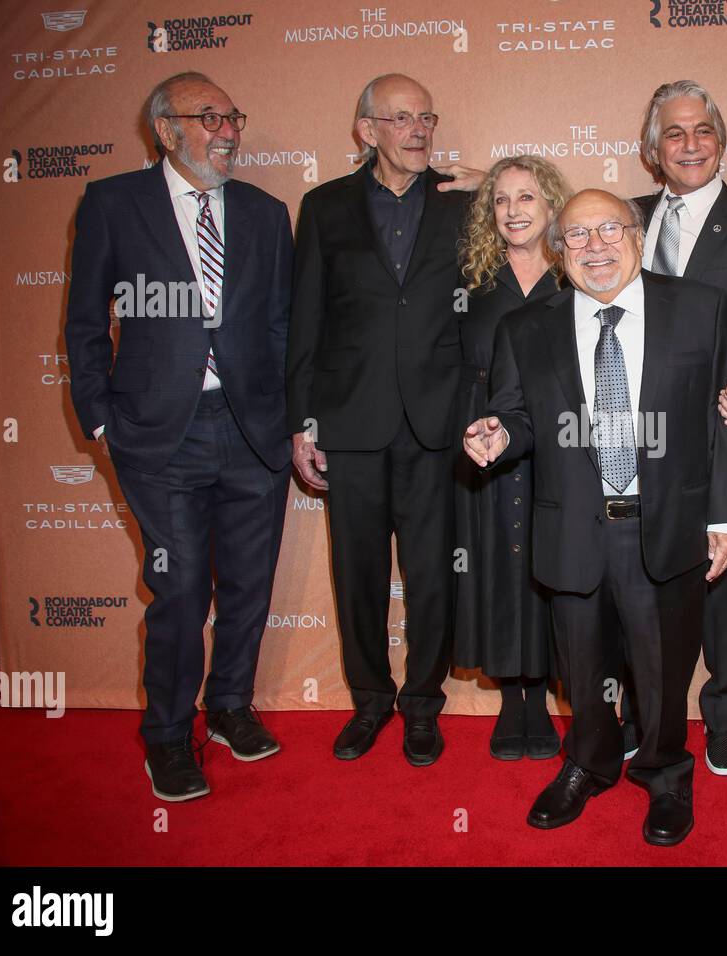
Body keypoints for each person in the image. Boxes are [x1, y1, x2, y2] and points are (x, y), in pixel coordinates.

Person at [463, 189, 727, 846]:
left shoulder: (700, 310)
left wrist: (726, 517)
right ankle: (587, 764)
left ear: (637, 234)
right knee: (584, 670)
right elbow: (518, 416)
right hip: (572, 528)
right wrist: (498, 436)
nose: (595, 246)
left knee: (661, 670)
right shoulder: (527, 328)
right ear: (560, 252)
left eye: (608, 229)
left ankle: (666, 773)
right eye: (577, 236)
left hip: (666, 523)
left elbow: (723, 419)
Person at [65, 72, 292, 801]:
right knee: (182, 589)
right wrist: (101, 417)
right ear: (166, 130)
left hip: (253, 429)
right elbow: (84, 321)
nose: (228, 131)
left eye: (234, 116)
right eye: (209, 118)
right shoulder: (112, 203)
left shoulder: (264, 211)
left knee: (250, 587)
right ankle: (167, 734)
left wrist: (291, 421)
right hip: (160, 436)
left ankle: (228, 707)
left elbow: (284, 326)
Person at [287, 74, 469, 766]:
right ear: (367, 130)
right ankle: (370, 701)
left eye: (426, 117)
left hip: (437, 424)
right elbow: (307, 319)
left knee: (431, 574)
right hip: (349, 420)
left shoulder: (462, 203)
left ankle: (423, 704)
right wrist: (302, 421)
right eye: (401, 119)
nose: (419, 130)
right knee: (356, 572)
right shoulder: (324, 206)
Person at [620, 80, 727, 776]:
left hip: (714, 427)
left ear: (721, 141)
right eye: (675, 134)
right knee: (628, 577)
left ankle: (721, 711)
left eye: (702, 131)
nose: (690, 144)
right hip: (625, 433)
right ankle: (641, 712)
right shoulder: (622, 218)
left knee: (716, 577)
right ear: (654, 149)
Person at [454, 156, 572, 760]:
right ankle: (513, 701)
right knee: (499, 565)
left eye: (527, 198)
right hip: (488, 439)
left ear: (553, 206)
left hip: (558, 440)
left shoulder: (576, 272)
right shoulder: (474, 280)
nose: (513, 211)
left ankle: (544, 696)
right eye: (500, 200)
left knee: (549, 566)